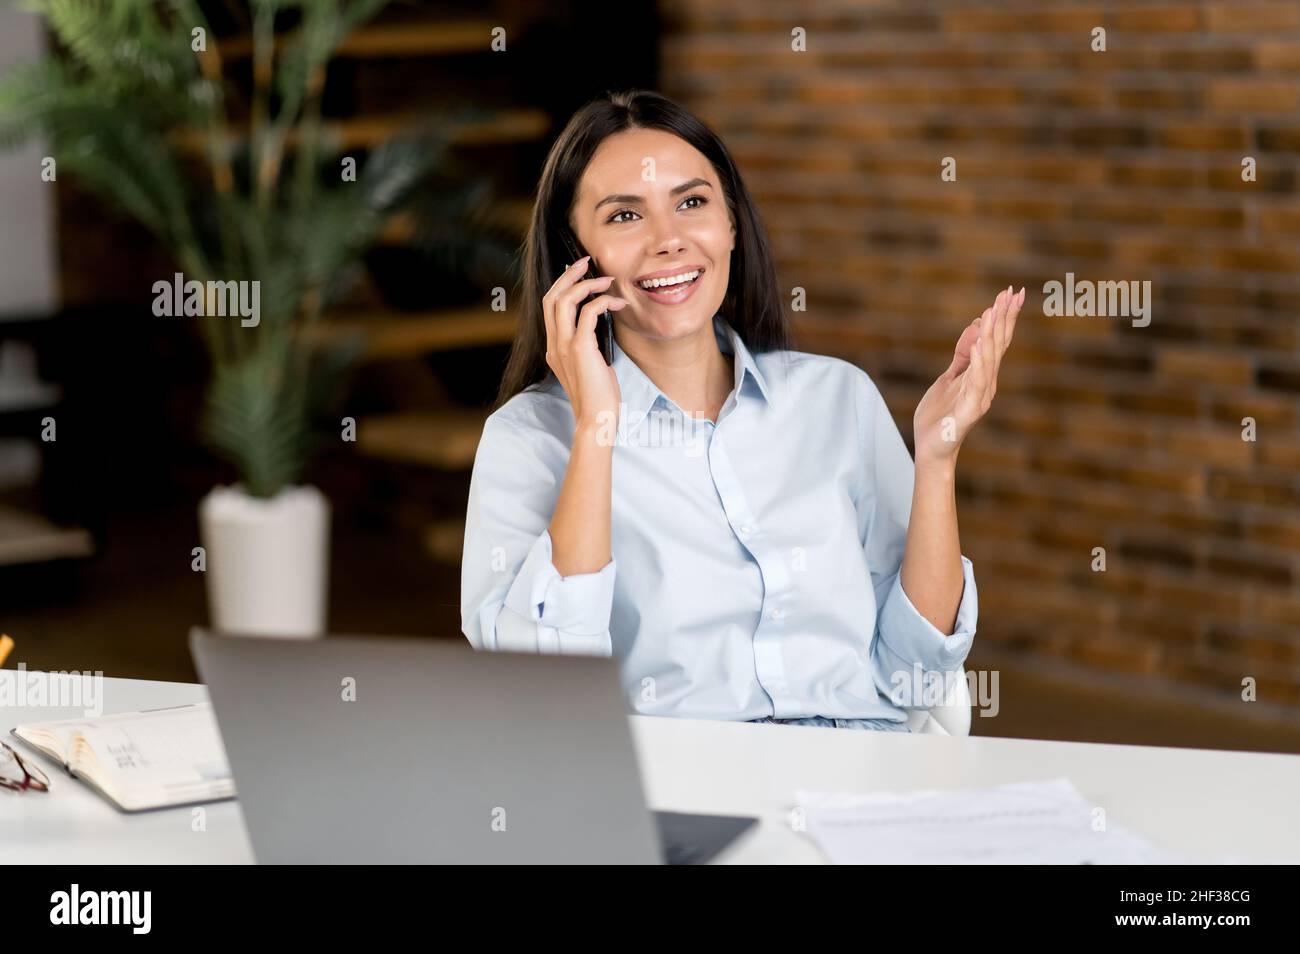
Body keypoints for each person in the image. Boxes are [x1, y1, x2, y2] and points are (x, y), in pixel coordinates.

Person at [460, 89, 1022, 731]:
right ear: (574, 254)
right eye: (624, 216)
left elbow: (915, 670)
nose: (668, 240)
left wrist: (938, 460)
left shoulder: (837, 399)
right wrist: (596, 428)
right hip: (683, 797)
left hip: (865, 776)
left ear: (730, 224)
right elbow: (546, 692)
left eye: (692, 203)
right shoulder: (529, 441)